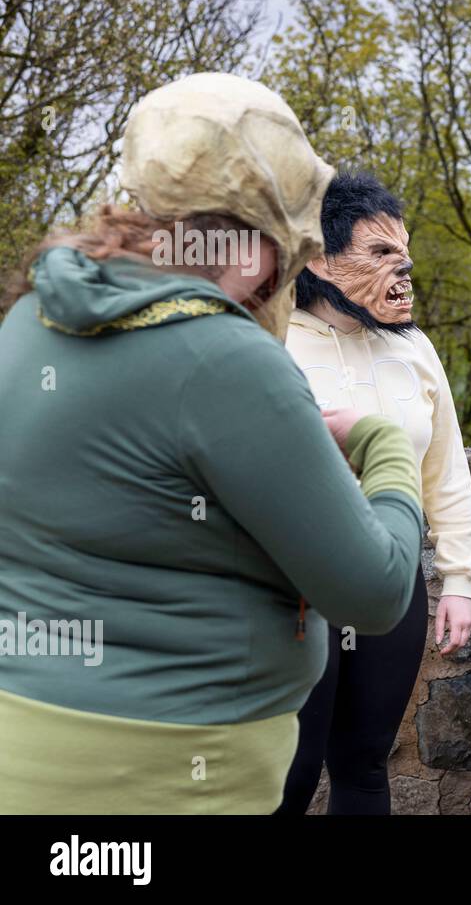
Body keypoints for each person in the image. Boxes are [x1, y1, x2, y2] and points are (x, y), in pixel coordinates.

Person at [0, 73, 424, 813]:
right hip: (162, 777)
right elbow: (375, 589)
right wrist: (382, 447)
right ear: (262, 243)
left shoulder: (31, 320)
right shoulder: (223, 358)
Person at [277, 171, 471, 815]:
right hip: (292, 587)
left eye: (406, 253)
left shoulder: (415, 348)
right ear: (320, 259)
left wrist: (458, 580)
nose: (404, 269)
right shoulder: (269, 338)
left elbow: (445, 469)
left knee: (365, 765)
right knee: (292, 768)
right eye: (381, 253)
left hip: (391, 580)